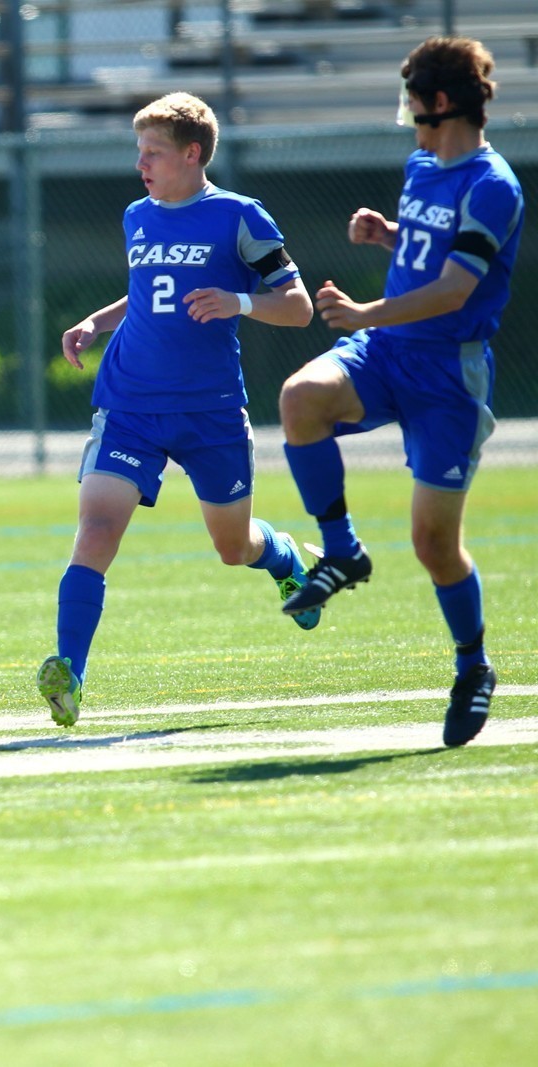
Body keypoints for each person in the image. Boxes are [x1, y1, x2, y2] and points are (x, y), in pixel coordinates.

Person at [37, 92, 316, 728]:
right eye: (139, 152)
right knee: (97, 529)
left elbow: (296, 306)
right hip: (130, 402)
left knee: (232, 546)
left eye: (153, 153)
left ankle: (283, 559)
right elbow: (147, 293)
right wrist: (96, 323)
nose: (142, 164)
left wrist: (238, 301)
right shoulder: (138, 215)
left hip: (211, 410)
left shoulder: (241, 218)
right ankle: (69, 672)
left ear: (192, 155)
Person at [278, 37, 523, 747]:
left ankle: (473, 666)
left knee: (433, 544)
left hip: (449, 373)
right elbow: (429, 258)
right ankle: (342, 550)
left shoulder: (493, 184)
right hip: (388, 353)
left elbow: (454, 290)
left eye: (415, 96)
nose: (409, 111)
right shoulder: (423, 165)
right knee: (301, 397)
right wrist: (391, 237)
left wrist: (361, 313)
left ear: (441, 102)